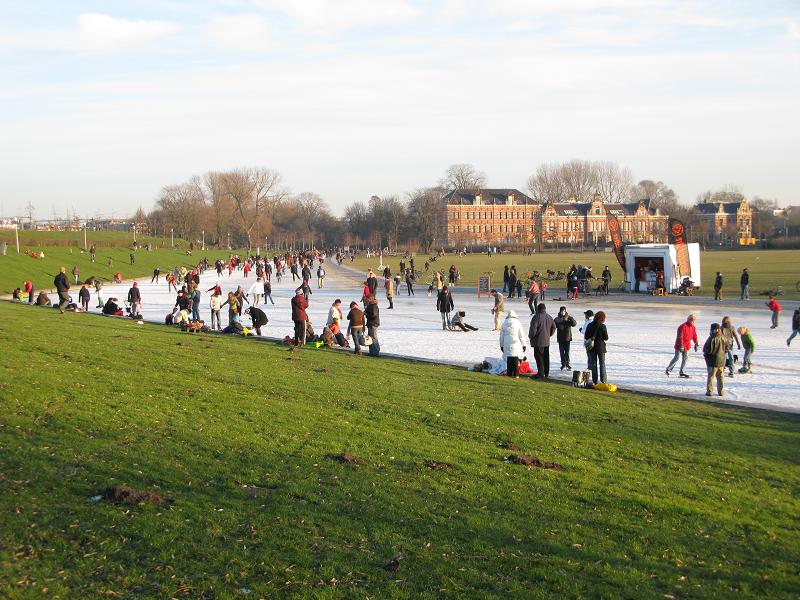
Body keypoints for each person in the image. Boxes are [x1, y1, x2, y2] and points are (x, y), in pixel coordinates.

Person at [528, 303, 556, 379]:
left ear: (538, 309)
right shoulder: (549, 317)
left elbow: (533, 330)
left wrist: (530, 336)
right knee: (546, 357)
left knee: (539, 357)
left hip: (538, 341)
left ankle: (540, 373)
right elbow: (554, 327)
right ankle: (546, 372)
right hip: (546, 341)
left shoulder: (536, 317)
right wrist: (549, 334)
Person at [584, 311, 609, 385]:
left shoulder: (590, 325)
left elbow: (586, 336)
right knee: (602, 364)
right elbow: (606, 337)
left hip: (592, 347)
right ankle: (603, 380)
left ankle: (595, 380)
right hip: (601, 347)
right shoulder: (603, 326)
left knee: (593, 364)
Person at [500, 310, 526, 378]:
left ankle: (509, 374)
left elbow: (501, 336)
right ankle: (516, 374)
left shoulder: (504, 323)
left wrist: (501, 345)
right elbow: (521, 335)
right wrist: (524, 344)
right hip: (515, 343)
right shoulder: (518, 323)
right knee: (515, 358)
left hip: (506, 343)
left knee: (509, 359)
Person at [703, 323, 726, 396]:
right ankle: (721, 392)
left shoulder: (712, 338)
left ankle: (710, 391)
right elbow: (727, 348)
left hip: (712, 361)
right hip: (721, 361)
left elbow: (706, 350)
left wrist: (706, 356)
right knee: (720, 377)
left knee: (711, 377)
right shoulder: (724, 337)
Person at [554, 306, 577, 371]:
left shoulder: (569, 318)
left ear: (565, 311)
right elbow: (553, 326)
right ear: (560, 311)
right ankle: (563, 364)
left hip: (567, 338)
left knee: (567, 352)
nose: (562, 312)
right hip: (560, 338)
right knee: (561, 352)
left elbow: (574, 324)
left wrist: (571, 319)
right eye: (561, 311)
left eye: (564, 311)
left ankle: (567, 363)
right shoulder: (557, 319)